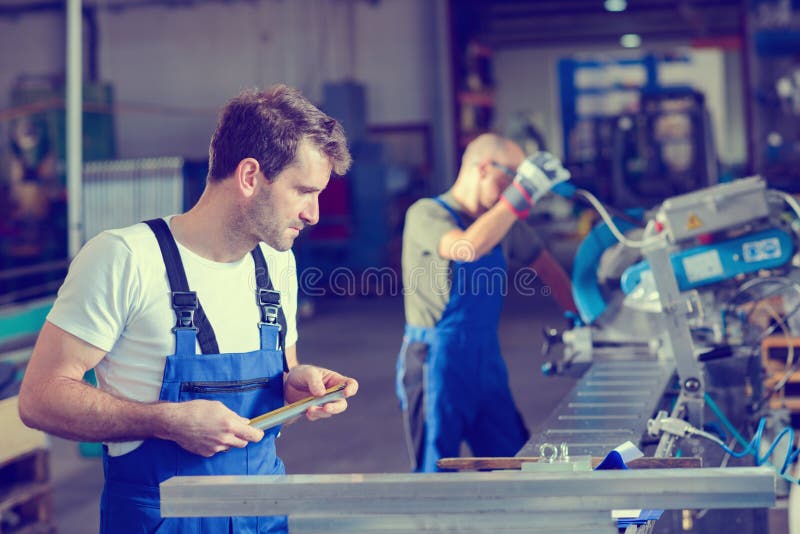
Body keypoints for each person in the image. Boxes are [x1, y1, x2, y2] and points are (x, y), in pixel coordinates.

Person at [18, 85, 359, 533]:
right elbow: (39, 398)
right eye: (303, 191)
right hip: (163, 518)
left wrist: (296, 387)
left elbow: (278, 382)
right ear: (250, 176)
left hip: (264, 515)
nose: (314, 213)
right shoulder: (126, 258)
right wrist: (165, 421)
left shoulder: (277, 263)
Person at [396, 133, 574, 472]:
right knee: (436, 471)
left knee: (513, 461)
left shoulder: (503, 221)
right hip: (437, 364)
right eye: (512, 177)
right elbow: (467, 247)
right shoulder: (427, 214)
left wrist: (590, 321)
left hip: (486, 361)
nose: (514, 190)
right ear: (482, 168)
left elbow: (550, 271)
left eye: (521, 182)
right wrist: (520, 196)